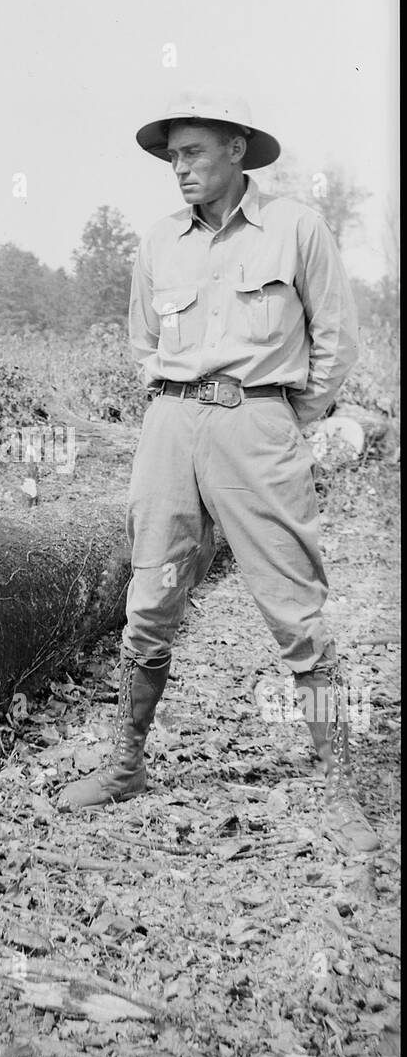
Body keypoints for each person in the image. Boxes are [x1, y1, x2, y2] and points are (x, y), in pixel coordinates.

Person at [58, 89, 378, 856]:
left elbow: (335, 341)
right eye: (171, 156)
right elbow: (143, 342)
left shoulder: (295, 228)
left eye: (192, 151)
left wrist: (277, 419)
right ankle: (126, 765)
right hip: (168, 427)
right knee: (150, 597)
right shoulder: (159, 241)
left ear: (236, 149)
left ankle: (343, 794)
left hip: (255, 425)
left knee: (293, 609)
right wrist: (179, 402)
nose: (179, 168)